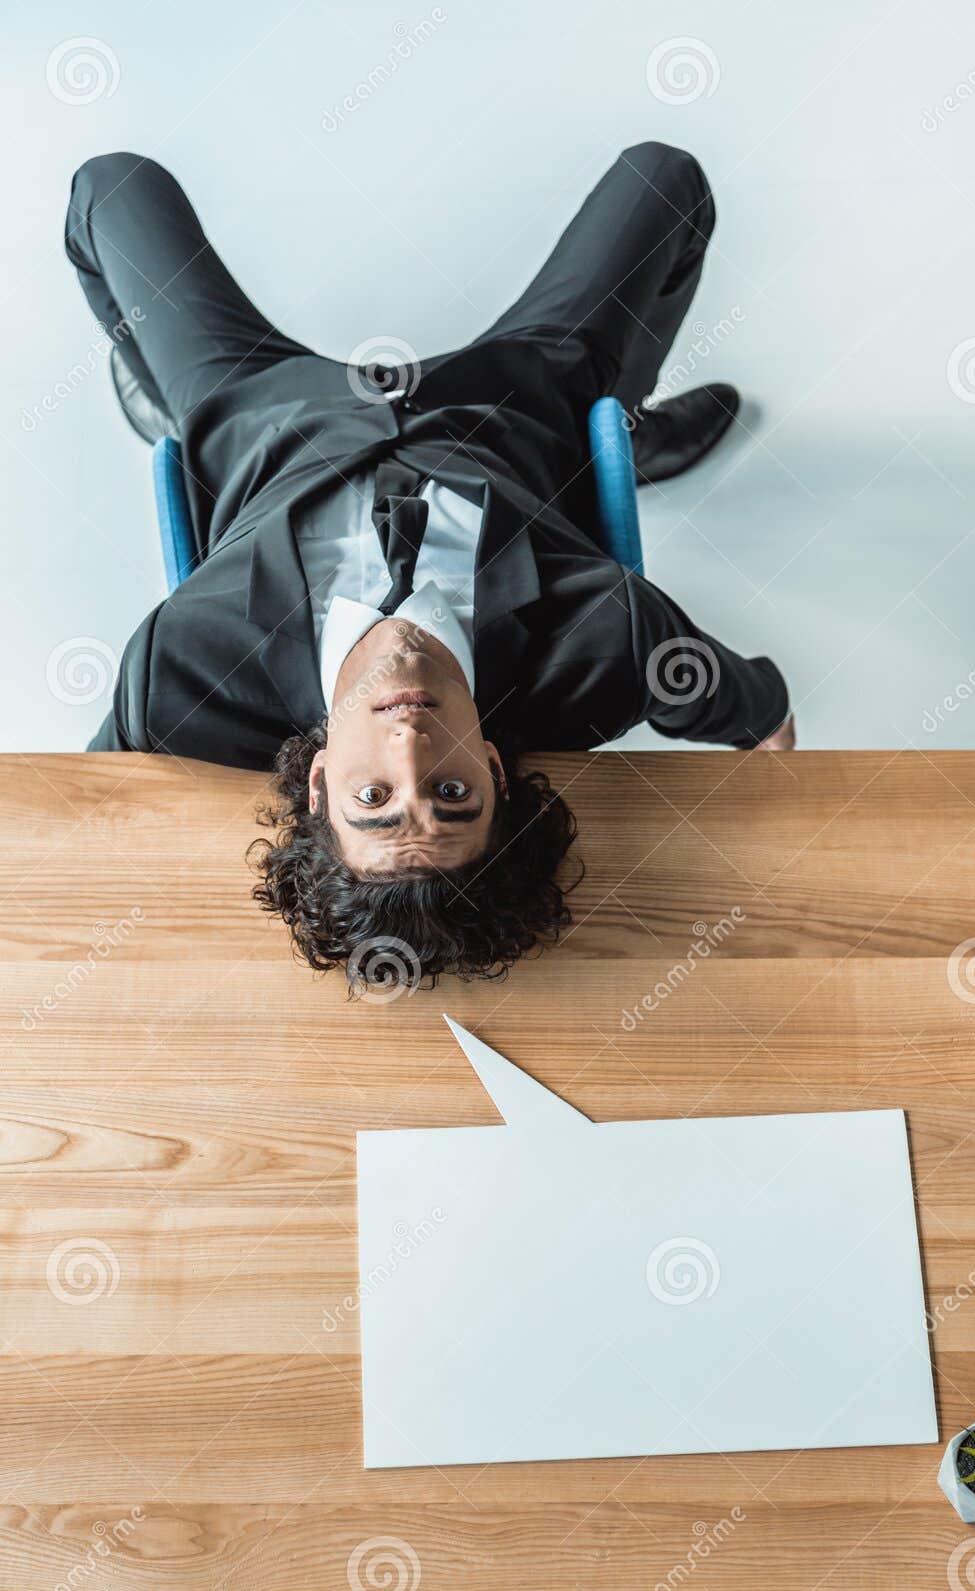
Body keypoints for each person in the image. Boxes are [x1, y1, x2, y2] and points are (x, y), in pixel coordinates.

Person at [66, 142, 793, 989]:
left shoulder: (177, 678)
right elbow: (757, 713)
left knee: (111, 187)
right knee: (667, 181)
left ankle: (161, 396)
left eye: (373, 801)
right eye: (452, 797)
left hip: (257, 409)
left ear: (318, 785)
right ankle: (621, 429)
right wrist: (767, 756)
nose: (411, 750)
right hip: (516, 398)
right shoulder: (612, 644)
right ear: (494, 769)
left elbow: (85, 806)